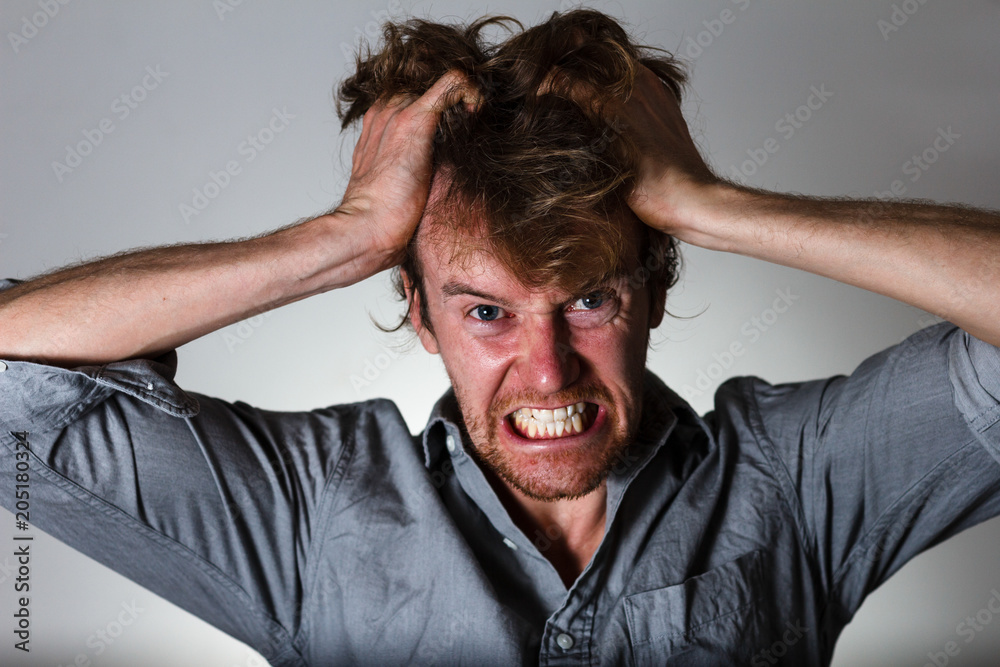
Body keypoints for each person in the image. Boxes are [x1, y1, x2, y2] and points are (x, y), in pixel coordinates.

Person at [2, 8, 999, 666]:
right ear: (418, 311)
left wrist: (713, 204)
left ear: (654, 287)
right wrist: (342, 237)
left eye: (588, 299)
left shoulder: (795, 477)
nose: (547, 369)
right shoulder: (312, 515)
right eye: (485, 310)